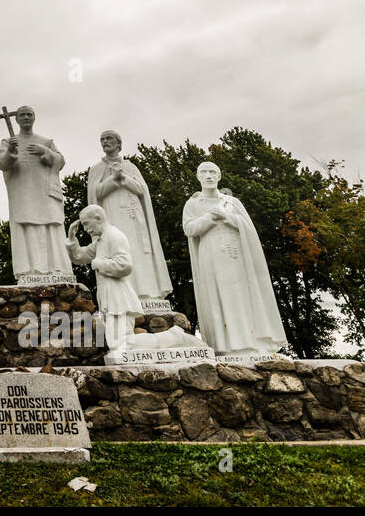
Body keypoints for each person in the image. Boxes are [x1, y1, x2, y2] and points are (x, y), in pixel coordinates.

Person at [183, 162, 288, 356]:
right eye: (204, 172)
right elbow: (189, 229)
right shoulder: (193, 204)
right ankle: (225, 346)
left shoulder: (232, 203)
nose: (208, 176)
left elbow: (247, 227)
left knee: (242, 295)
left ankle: (251, 342)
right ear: (198, 176)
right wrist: (210, 218)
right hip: (211, 253)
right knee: (218, 298)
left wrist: (226, 216)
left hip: (236, 253)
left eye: (212, 172)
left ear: (219, 176)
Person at [86, 130, 173, 301]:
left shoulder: (131, 167)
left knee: (138, 252)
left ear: (119, 143)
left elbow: (142, 190)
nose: (105, 142)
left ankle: (147, 293)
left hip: (134, 218)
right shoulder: (97, 169)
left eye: (109, 138)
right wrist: (113, 180)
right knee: (119, 251)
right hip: (113, 217)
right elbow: (95, 194)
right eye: (102, 139)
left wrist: (123, 177)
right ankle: (127, 295)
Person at [0, 105, 72, 282]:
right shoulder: (8, 142)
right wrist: (11, 153)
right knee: (29, 227)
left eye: (29, 115)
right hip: (23, 193)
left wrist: (45, 151)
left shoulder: (46, 141)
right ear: (16, 119)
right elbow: (1, 164)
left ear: (34, 117)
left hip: (45, 191)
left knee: (51, 225)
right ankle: (32, 269)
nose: (26, 118)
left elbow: (60, 161)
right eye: (22, 115)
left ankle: (57, 267)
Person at [67, 205, 141, 358]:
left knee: (122, 340)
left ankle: (171, 339)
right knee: (117, 341)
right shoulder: (101, 240)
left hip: (118, 296)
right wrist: (71, 239)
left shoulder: (114, 236)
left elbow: (125, 265)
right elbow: (80, 257)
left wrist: (99, 264)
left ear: (98, 218)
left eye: (87, 223)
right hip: (109, 296)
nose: (86, 229)